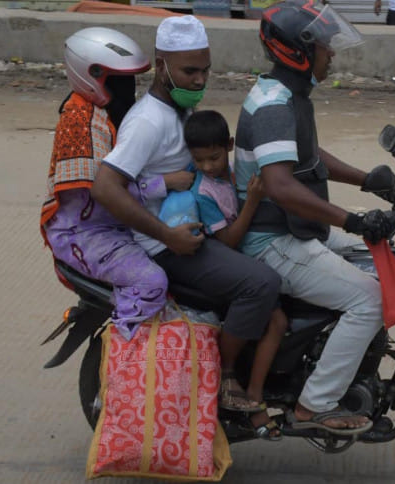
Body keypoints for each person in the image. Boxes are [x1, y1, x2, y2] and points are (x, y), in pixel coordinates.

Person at [90, 16, 284, 424]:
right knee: (262, 283)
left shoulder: (182, 107)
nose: (199, 80)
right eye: (189, 71)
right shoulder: (148, 121)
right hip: (166, 246)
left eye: (205, 70)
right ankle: (228, 377)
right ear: (162, 66)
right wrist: (168, 237)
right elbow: (105, 188)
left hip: (193, 226)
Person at [236, 0, 395, 435]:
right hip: (270, 240)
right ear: (297, 51)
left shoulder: (290, 96)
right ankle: (316, 405)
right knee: (368, 298)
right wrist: (353, 220)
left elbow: (308, 157)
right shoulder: (274, 104)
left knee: (389, 255)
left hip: (297, 229)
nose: (332, 54)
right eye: (326, 48)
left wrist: (371, 180)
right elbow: (280, 186)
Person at [40, 27, 173, 340]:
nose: (129, 89)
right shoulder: (81, 123)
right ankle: (125, 361)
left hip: (115, 224)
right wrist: (164, 184)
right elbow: (107, 195)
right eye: (119, 80)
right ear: (94, 76)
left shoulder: (110, 114)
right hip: (85, 234)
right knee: (152, 281)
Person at [182, 109, 288, 440]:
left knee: (281, 321)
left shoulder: (232, 174)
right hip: (228, 260)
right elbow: (227, 240)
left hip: (249, 253)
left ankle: (255, 394)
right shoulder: (204, 191)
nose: (207, 167)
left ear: (228, 146)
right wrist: (253, 202)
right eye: (199, 160)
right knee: (275, 319)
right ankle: (231, 380)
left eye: (214, 158)